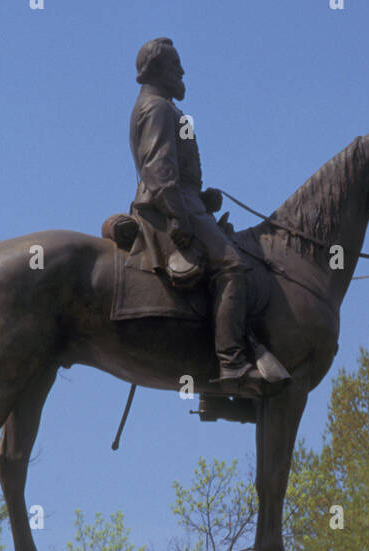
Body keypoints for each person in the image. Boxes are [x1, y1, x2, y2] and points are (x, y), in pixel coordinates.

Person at [129, 38, 281, 394]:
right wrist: (178, 215)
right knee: (232, 267)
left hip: (185, 201)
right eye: (175, 65)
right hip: (170, 207)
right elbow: (158, 168)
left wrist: (200, 196)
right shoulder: (158, 109)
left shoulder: (162, 107)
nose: (182, 72)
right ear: (156, 70)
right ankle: (232, 363)